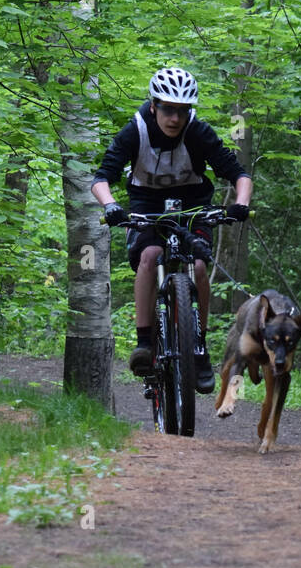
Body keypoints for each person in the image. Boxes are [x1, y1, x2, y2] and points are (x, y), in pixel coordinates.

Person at [92, 66, 251, 393]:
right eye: (167, 108)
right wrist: (110, 206)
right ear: (154, 106)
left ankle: (199, 348)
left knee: (199, 265)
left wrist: (241, 204)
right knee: (150, 256)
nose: (175, 118)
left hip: (192, 204)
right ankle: (145, 343)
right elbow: (101, 179)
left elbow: (239, 174)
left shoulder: (198, 132)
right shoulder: (135, 131)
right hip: (145, 205)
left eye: (182, 110)